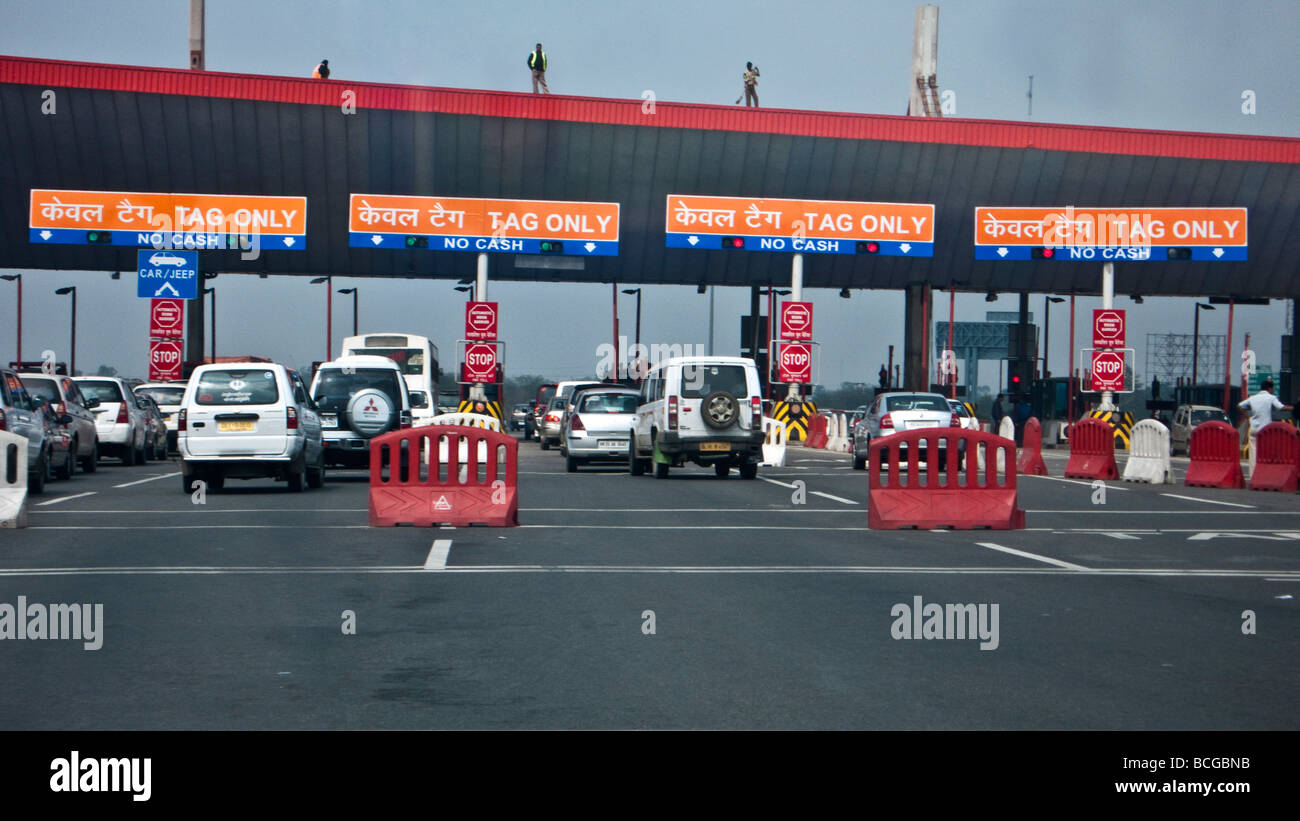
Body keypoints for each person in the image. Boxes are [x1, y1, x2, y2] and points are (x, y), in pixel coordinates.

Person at [1237, 378, 1292, 477]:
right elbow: (1281, 407)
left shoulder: (1253, 398)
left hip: (1253, 429)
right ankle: (1265, 474)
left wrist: (1247, 416)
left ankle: (1253, 475)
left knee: (1253, 453)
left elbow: (1240, 406)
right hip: (1266, 430)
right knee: (1266, 452)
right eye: (1272, 389)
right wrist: (1295, 407)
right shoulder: (1271, 397)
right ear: (1269, 389)